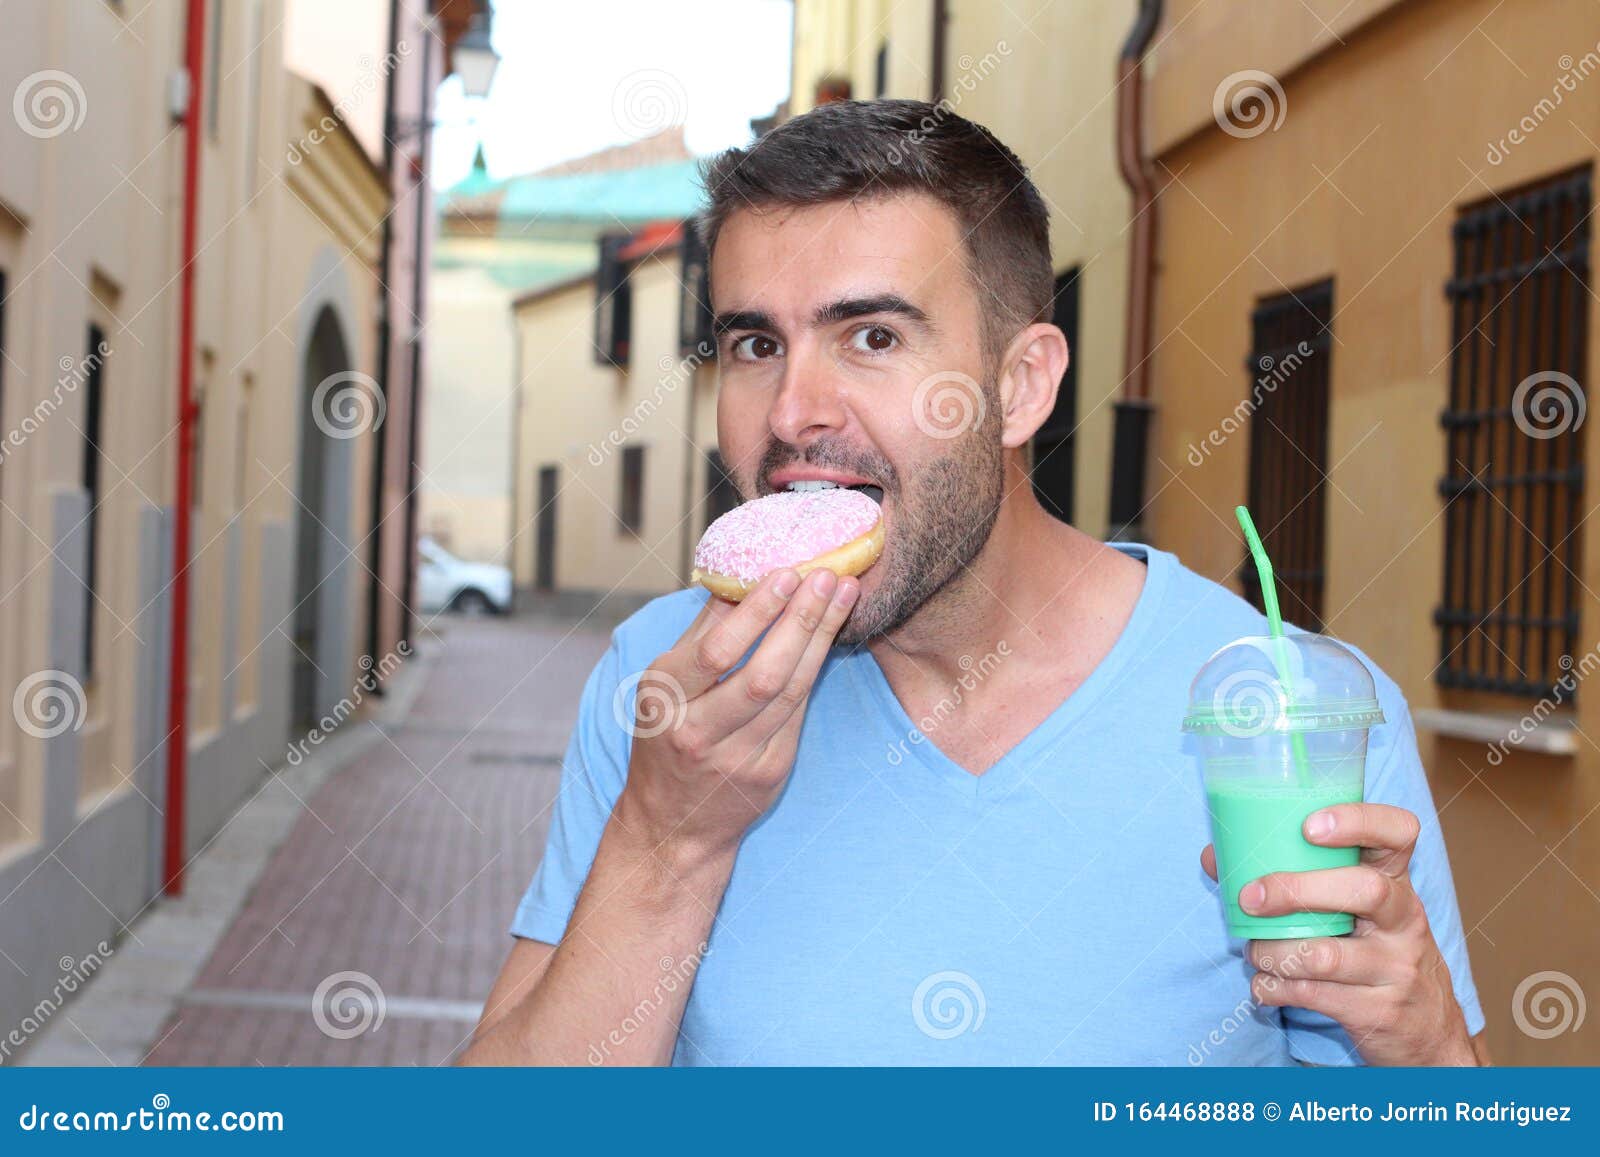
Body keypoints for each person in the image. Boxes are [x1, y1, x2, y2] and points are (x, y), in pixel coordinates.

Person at [461, 99, 1486, 1066]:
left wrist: (1431, 1049)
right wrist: (665, 839)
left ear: (1020, 385)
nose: (790, 411)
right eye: (755, 344)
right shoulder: (669, 683)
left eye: (873, 337)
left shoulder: (1288, 711)